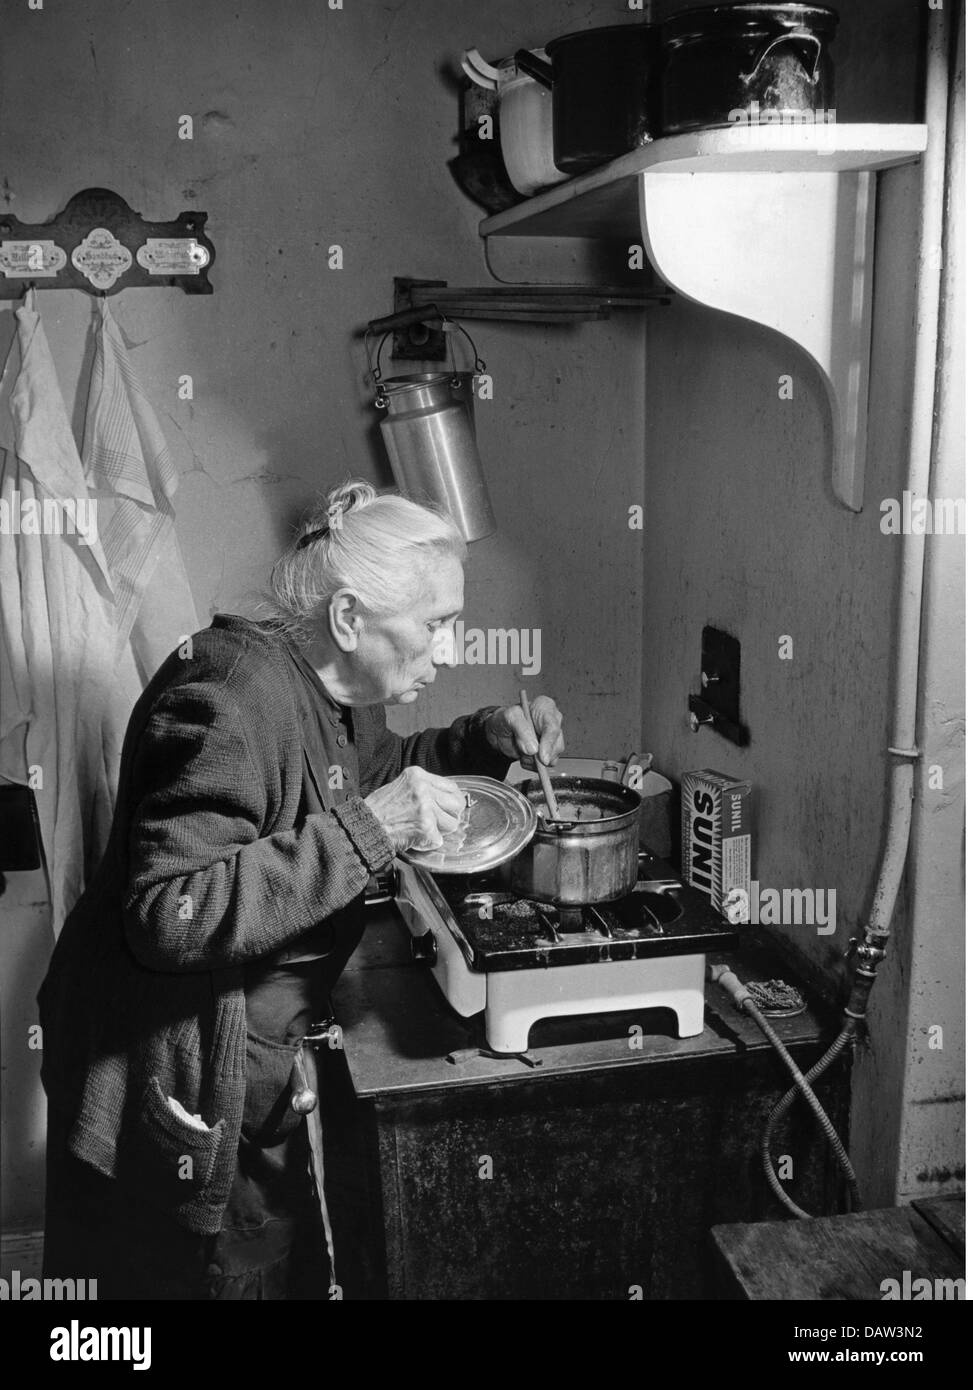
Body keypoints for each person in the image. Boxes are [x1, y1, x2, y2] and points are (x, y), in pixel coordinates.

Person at [38, 480, 564, 1300]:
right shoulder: (230, 695)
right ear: (350, 618)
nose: (451, 651)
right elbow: (166, 912)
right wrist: (370, 832)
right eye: (436, 626)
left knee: (273, 1270)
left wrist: (483, 737)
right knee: (170, 1290)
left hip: (253, 1061)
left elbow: (364, 776)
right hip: (169, 1067)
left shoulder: (330, 690)